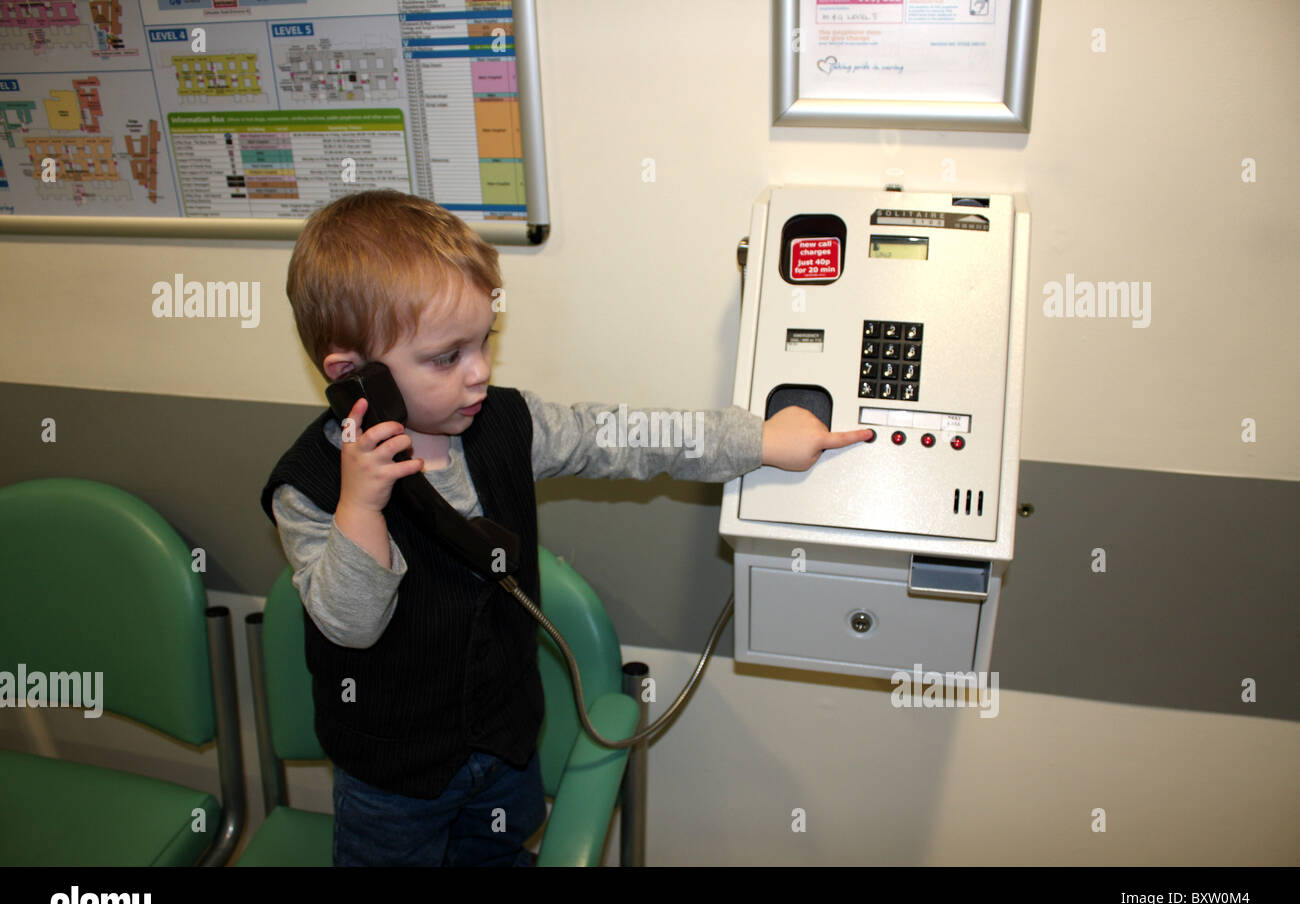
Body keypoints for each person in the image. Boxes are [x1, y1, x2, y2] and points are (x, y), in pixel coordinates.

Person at [258, 189, 874, 866]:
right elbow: (352, 623)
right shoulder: (309, 488)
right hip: (391, 784)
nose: (481, 372)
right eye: (446, 357)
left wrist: (756, 439)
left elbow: (625, 437)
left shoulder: (506, 426)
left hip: (503, 750)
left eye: (483, 342)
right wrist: (361, 508)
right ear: (353, 378)